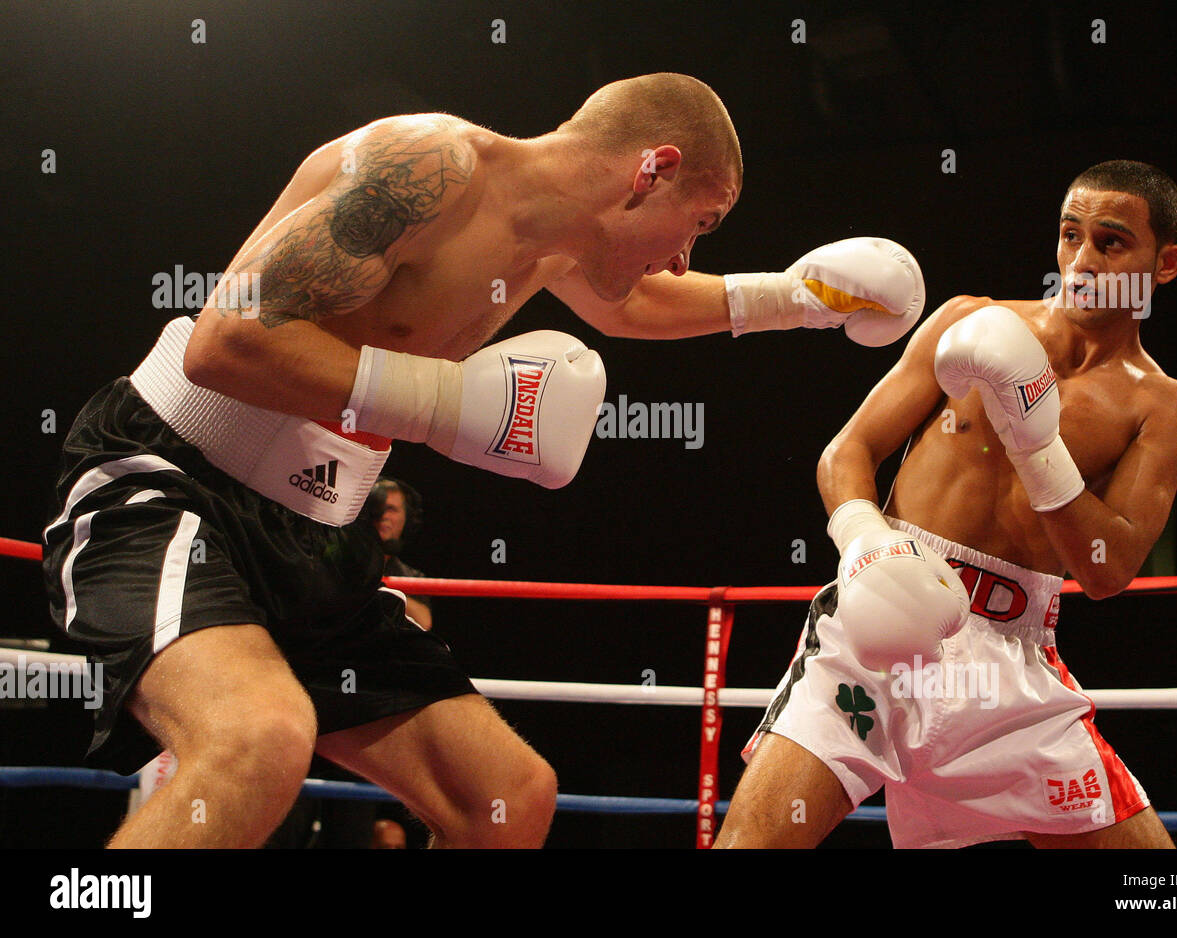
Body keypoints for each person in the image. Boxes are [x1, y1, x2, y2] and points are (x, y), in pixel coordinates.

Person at [41, 72, 925, 848]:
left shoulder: (552, 243)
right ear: (650, 169)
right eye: (697, 221)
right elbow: (224, 343)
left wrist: (799, 299)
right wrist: (443, 405)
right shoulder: (426, 167)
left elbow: (635, 302)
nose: (687, 254)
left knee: (505, 797)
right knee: (256, 741)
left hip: (316, 536)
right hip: (174, 485)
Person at [715, 160, 1177, 849]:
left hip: (1013, 660)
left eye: (1111, 242)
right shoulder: (971, 319)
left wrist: (1037, 444)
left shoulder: (1166, 406)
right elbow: (846, 453)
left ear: (1167, 262)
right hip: (879, 621)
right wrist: (865, 544)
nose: (1083, 260)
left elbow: (1108, 569)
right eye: (1071, 235)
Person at [368, 476, 432, 630]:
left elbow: (424, 622)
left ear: (406, 518)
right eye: (378, 507)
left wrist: (377, 586)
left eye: (391, 509)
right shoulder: (345, 558)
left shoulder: (411, 576)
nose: (384, 515)